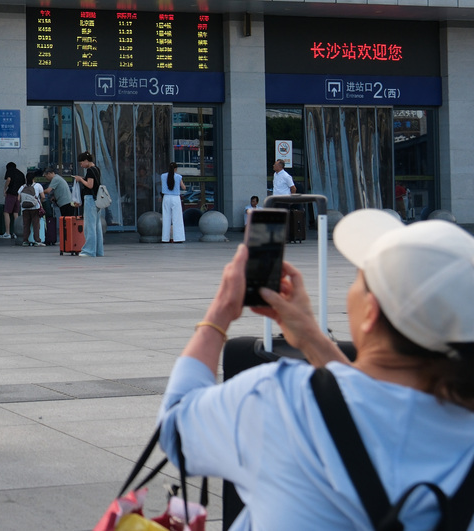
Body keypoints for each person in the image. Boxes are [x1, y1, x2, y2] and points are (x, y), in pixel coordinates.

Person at [156, 210, 474, 530]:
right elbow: (368, 404)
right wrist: (310, 338)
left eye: (358, 280)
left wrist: (221, 310)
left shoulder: (280, 401)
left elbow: (176, 431)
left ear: (371, 313)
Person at [72, 153, 103, 257]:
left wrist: (80, 179)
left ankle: (89, 251)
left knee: (89, 226)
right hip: (97, 200)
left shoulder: (90, 170)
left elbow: (90, 185)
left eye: (81, 163)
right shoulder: (97, 169)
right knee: (97, 226)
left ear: (86, 160)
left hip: (90, 199)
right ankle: (98, 250)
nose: (81, 165)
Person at [160, 162, 187, 243]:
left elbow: (162, 185)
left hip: (166, 197)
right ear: (176, 169)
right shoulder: (178, 177)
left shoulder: (163, 176)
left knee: (166, 217)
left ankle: (165, 238)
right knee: (177, 219)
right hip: (175, 198)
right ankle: (178, 238)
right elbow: (183, 187)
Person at [0, 162, 25, 239]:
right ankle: (16, 232)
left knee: (6, 212)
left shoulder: (10, 171)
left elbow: (8, 179)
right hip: (18, 195)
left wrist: (5, 189)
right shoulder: (21, 174)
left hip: (11, 194)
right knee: (16, 213)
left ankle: (7, 233)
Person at [18, 171, 44, 247]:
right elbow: (43, 197)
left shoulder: (22, 187)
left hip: (25, 209)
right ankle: (37, 240)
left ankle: (25, 241)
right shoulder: (38, 186)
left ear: (26, 178)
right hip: (35, 208)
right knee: (36, 225)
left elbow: (18, 198)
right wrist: (39, 202)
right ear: (34, 178)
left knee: (26, 225)